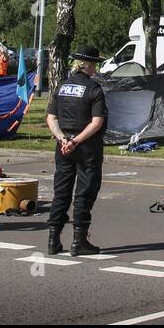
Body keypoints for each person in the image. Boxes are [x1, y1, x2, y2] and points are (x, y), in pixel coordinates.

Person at [46, 46, 108, 256]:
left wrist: (63, 139)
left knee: (61, 191)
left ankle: (53, 240)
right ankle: (78, 242)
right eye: (95, 65)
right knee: (84, 191)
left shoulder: (62, 87)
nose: (95, 69)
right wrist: (77, 141)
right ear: (88, 65)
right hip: (87, 147)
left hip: (63, 146)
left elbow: (51, 118)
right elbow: (97, 122)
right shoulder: (94, 89)